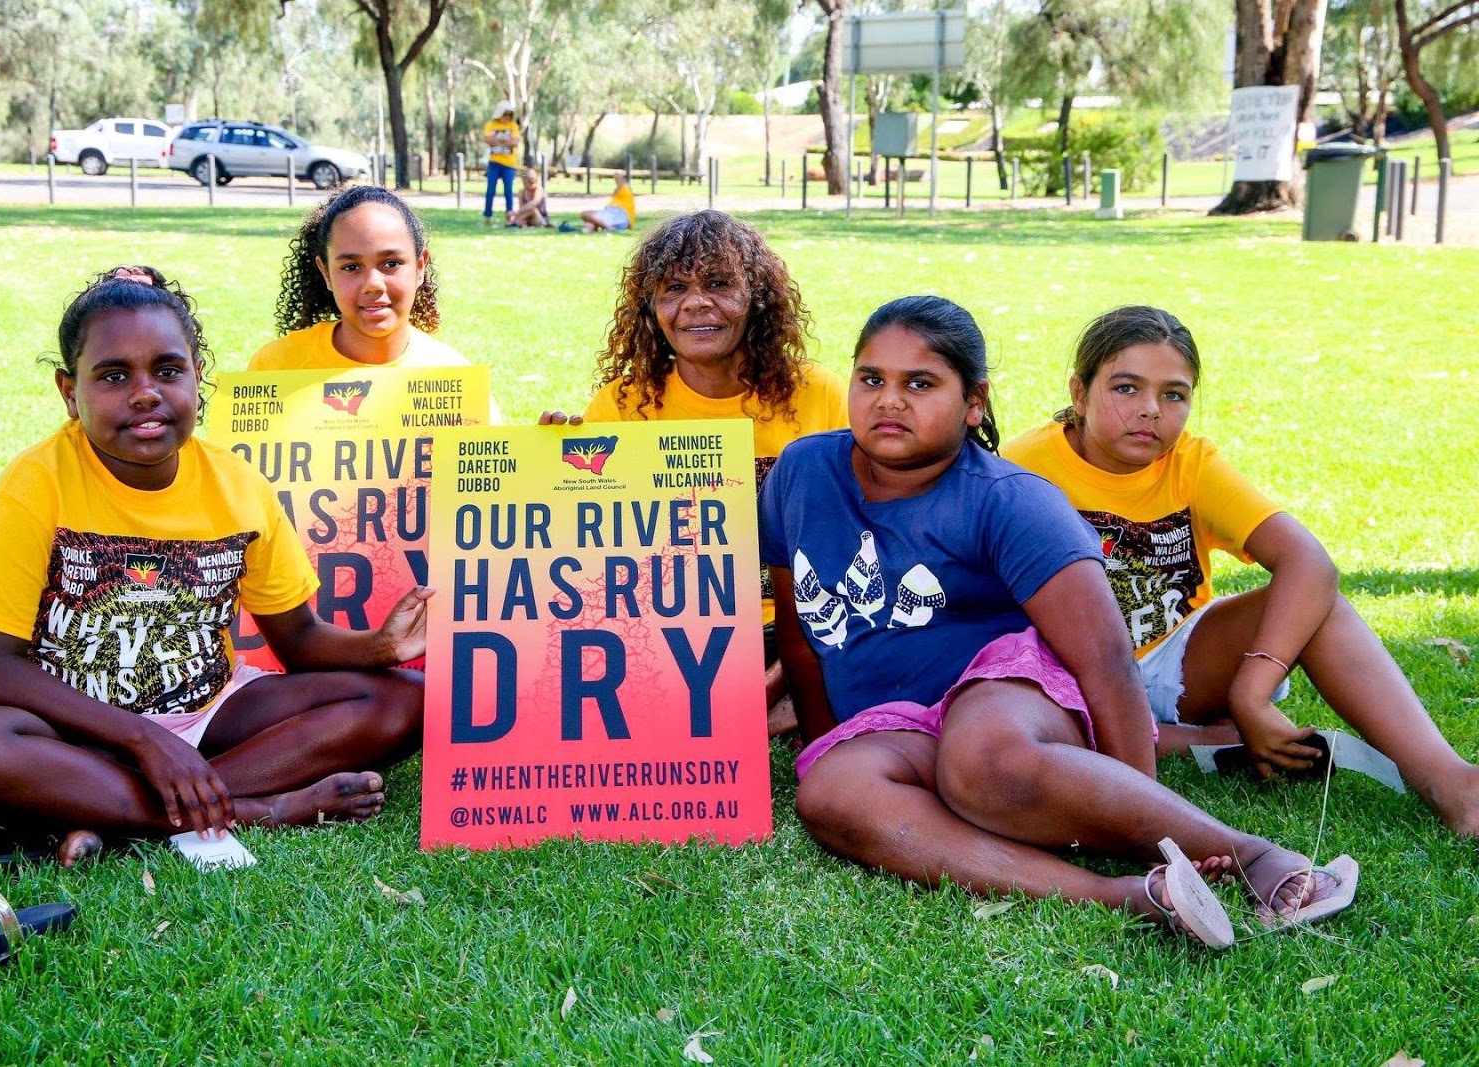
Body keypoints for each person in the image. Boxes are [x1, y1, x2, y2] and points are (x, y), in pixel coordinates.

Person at [763, 295, 1357, 945]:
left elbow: (1107, 663)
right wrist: (824, 739)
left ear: (974, 403)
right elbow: (798, 629)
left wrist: (1148, 825)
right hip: (897, 721)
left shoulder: (1011, 501)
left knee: (979, 754)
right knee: (830, 792)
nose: (890, 400)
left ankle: (1252, 854)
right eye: (872, 378)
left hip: (1012, 695)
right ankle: (1127, 898)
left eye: (921, 383)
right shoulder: (802, 472)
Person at [0, 267, 434, 867]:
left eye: (167, 369)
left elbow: (301, 640)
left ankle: (102, 813)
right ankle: (260, 810)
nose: (144, 393)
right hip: (73, 731)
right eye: (112, 376)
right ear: (67, 391)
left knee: (405, 700)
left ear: (197, 377)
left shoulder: (238, 486)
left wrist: (381, 648)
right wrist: (142, 738)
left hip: (207, 713)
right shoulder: (33, 488)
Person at [1002, 304, 1479, 836]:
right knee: (1011, 713)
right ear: (1078, 393)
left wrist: (1252, 687)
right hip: (1068, 672)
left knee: (1321, 606)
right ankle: (1202, 740)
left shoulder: (1192, 463)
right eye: (1126, 388)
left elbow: (1309, 562)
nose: (1151, 411)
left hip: (1173, 658)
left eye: (1174, 395)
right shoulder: (1022, 467)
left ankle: (1451, 781)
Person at [550, 210, 848, 737]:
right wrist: (549, 465)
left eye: (717, 284)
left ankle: (784, 695)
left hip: (798, 625)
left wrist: (782, 674)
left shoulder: (818, 393)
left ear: (756, 296)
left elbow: (858, 534)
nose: (695, 304)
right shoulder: (624, 403)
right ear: (651, 307)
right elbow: (587, 555)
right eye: (674, 289)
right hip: (674, 629)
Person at [251, 185, 465, 372]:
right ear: (326, 273)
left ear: (420, 267)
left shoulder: (453, 375)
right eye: (351, 267)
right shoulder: (275, 367)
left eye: (391, 264)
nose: (373, 284)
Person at [482, 101, 521, 227]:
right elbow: (488, 139)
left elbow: (514, 142)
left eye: (510, 115)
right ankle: (487, 216)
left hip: (509, 164)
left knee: (508, 191)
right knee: (490, 191)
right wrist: (505, 140)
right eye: (505, 114)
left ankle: (509, 217)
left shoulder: (513, 125)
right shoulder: (491, 124)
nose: (507, 117)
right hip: (494, 162)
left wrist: (497, 140)